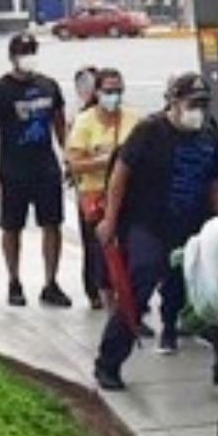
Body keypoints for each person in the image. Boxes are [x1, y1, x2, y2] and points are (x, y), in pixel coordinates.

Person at [93, 72, 218, 386]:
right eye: (192, 103)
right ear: (174, 102)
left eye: (203, 104)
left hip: (192, 226)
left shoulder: (209, 134)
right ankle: (108, 363)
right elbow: (120, 174)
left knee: (211, 292)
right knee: (139, 287)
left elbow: (217, 181)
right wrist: (110, 219)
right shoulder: (150, 131)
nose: (197, 110)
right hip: (149, 225)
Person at [0, 33, 71, 308]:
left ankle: (51, 282)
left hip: (46, 167)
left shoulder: (49, 86)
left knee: (52, 224)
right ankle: (14, 281)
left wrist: (68, 159)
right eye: (22, 52)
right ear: (12, 57)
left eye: (31, 51)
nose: (27, 56)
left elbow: (60, 126)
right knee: (12, 227)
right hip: (13, 169)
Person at [66, 67, 139, 310]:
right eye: (108, 91)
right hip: (96, 196)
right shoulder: (84, 122)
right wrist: (108, 161)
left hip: (130, 194)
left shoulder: (133, 119)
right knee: (100, 252)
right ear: (97, 92)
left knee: (132, 248)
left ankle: (131, 299)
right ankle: (106, 299)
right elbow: (75, 164)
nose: (113, 96)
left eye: (118, 91)